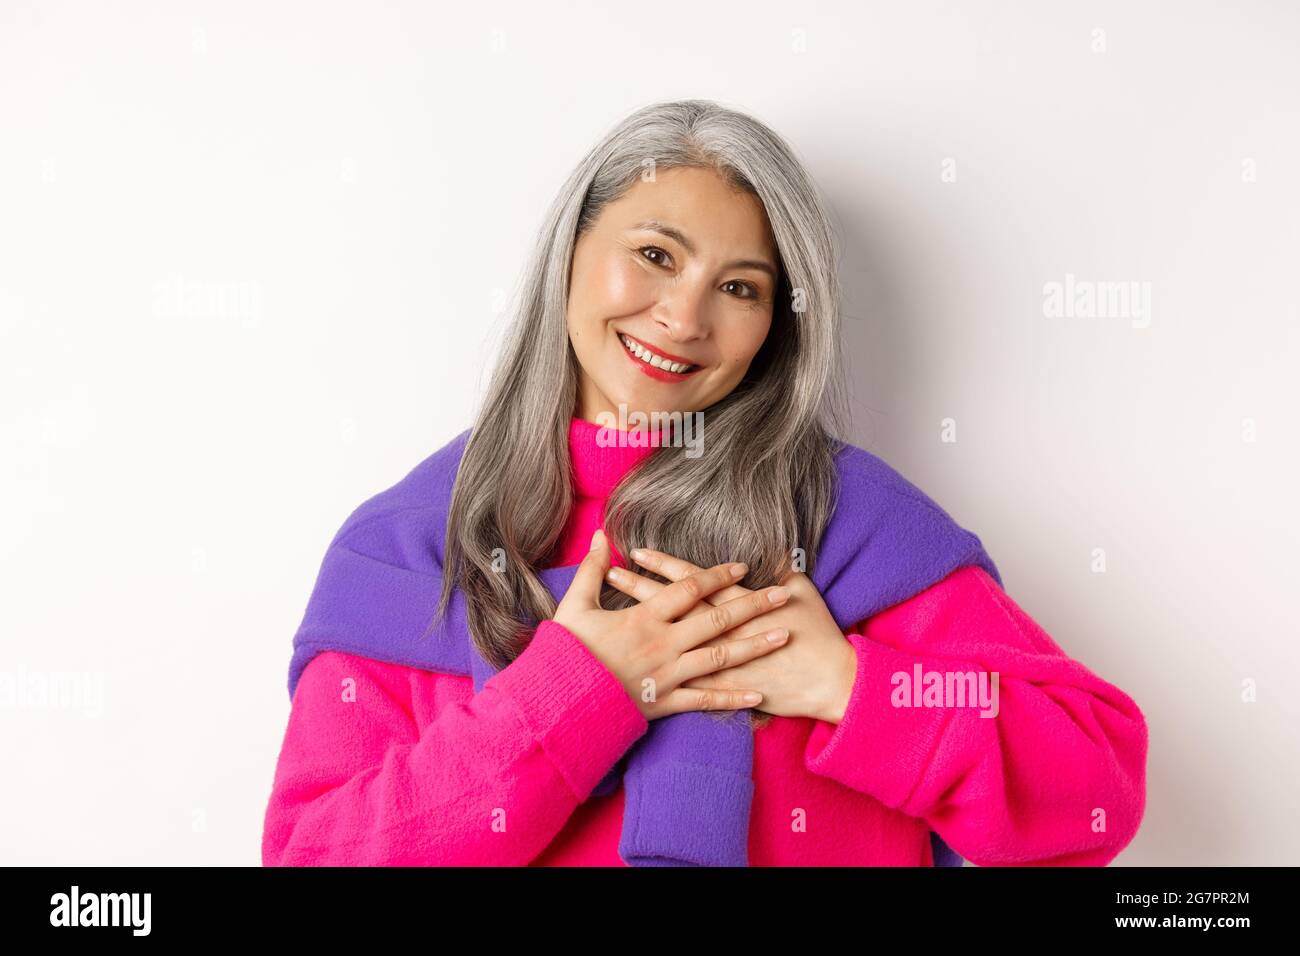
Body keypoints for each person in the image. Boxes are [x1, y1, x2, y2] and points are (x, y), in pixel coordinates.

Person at [261, 99, 1148, 866]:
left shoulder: (848, 525)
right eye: (654, 255)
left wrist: (851, 687)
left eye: (740, 287)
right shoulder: (412, 546)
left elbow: (1095, 786)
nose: (684, 317)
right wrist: (570, 696)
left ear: (778, 327)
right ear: (571, 251)